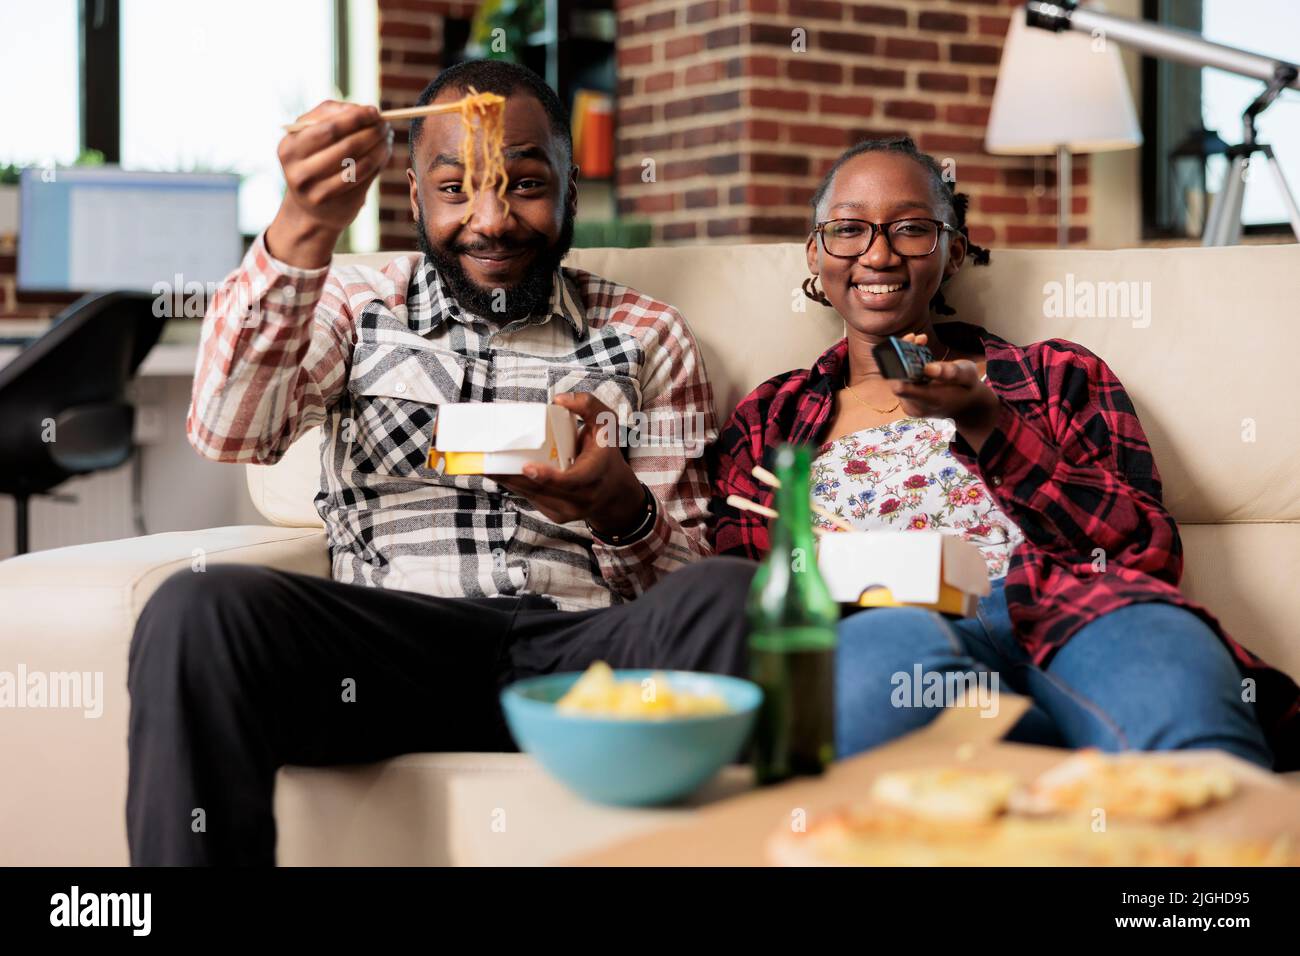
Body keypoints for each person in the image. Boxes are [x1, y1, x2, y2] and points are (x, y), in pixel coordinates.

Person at [127, 59, 754, 866]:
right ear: (415, 196)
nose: (491, 221)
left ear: (569, 194)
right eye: (455, 189)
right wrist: (303, 225)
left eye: (525, 184)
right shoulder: (355, 306)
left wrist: (617, 507)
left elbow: (685, 577)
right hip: (394, 652)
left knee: (732, 596)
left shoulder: (646, 332)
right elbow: (228, 433)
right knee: (197, 607)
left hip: (579, 658)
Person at [709, 135, 1300, 773]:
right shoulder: (772, 419)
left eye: (911, 229)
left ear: (952, 251)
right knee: (867, 732)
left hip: (1074, 609)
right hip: (888, 630)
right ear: (815, 253)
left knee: (1195, 765)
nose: (877, 254)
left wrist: (988, 425)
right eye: (848, 229)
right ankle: (1044, 744)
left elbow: (1144, 549)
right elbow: (752, 599)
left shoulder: (1054, 375)